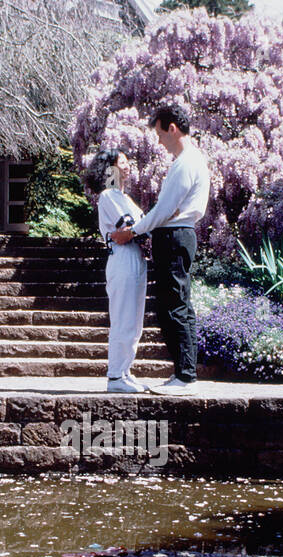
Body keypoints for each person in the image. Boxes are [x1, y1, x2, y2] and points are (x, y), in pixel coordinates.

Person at [110, 102, 210, 396]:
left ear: (173, 128)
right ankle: (184, 372)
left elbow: (164, 210)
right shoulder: (190, 160)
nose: (159, 142)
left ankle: (185, 377)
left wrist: (132, 231)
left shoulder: (186, 163)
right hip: (179, 234)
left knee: (173, 306)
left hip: (175, 235)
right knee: (179, 304)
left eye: (160, 134)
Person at [89, 149, 149, 394]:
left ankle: (125, 370)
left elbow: (137, 229)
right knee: (123, 317)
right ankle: (115, 375)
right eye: (121, 162)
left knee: (135, 321)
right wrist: (142, 227)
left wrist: (140, 229)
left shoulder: (127, 198)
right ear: (110, 168)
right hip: (121, 258)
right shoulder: (108, 196)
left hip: (136, 254)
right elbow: (130, 227)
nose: (127, 166)